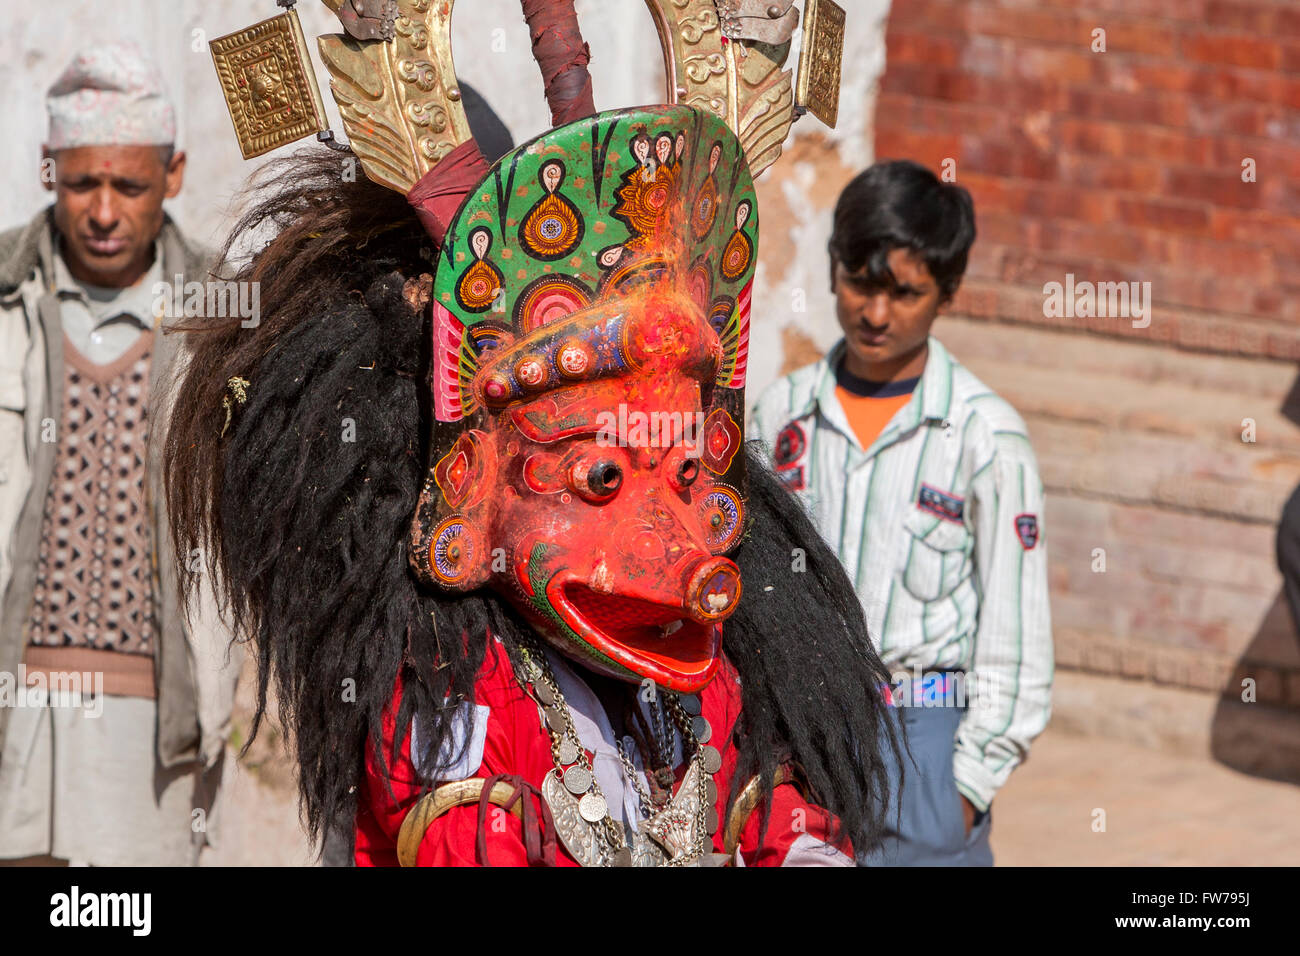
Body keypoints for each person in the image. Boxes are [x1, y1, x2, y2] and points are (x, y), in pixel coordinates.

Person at [164, 1, 902, 866]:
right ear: (473, 487)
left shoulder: (708, 671)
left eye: (683, 474)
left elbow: (791, 818)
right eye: (598, 480)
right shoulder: (447, 691)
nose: (669, 544)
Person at [748, 160, 1054, 865]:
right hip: (806, 734)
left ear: (945, 294)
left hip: (925, 731)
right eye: (860, 283)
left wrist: (964, 790)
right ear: (832, 270)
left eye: (905, 293)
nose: (876, 314)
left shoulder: (984, 439)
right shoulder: (783, 415)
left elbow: (1018, 641)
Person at [0, 43, 239, 866]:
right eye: (81, 184)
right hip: (12, 707)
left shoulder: (224, 323)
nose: (103, 211)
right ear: (48, 173)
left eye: (128, 186)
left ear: (171, 176)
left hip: (155, 720)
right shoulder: (4, 300)